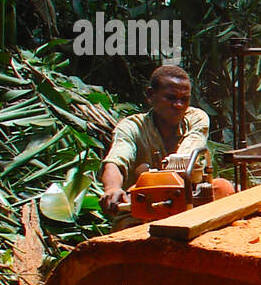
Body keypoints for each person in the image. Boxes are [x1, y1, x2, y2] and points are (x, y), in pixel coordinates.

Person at [100, 65, 234, 227]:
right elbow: (116, 160)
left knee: (222, 188)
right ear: (150, 95)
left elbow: (189, 151)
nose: (178, 105)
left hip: (188, 207)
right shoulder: (131, 128)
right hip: (142, 213)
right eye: (171, 98)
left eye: (184, 99)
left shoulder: (196, 119)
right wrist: (112, 189)